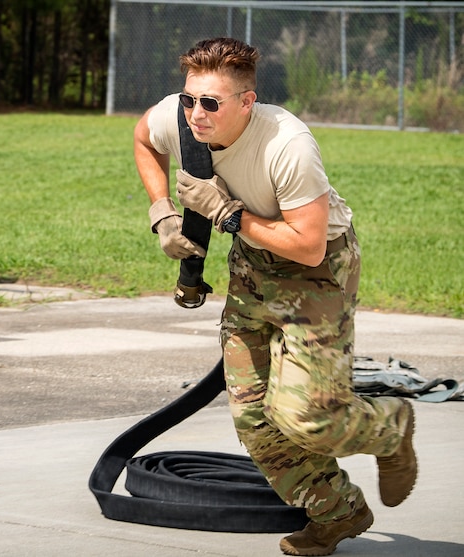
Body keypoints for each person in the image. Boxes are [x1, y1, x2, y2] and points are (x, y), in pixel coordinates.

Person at [134, 37, 417, 556]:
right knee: (253, 417)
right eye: (190, 99)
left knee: (307, 415)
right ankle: (337, 511)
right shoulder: (178, 117)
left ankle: (391, 428)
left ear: (247, 101)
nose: (196, 114)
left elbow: (308, 246)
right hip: (252, 266)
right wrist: (161, 212)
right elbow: (142, 140)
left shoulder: (287, 143)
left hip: (318, 269)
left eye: (211, 103)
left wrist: (225, 214)